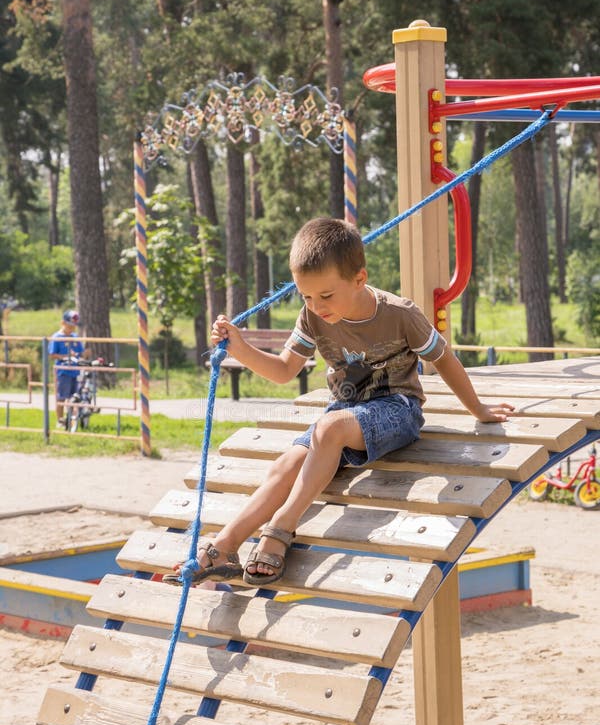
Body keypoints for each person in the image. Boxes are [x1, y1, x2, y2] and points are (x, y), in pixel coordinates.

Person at [164, 217, 514, 588]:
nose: (316, 306)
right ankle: (224, 547)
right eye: (306, 296)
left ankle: (281, 528)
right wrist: (240, 347)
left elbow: (443, 358)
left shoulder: (400, 314)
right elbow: (284, 371)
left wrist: (479, 410)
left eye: (325, 296)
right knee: (288, 463)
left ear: (359, 279)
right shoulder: (313, 316)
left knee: (329, 427)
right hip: (344, 415)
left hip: (397, 409)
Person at [49, 310, 85, 424]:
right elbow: (52, 355)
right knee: (61, 397)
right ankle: (60, 420)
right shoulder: (57, 337)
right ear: (63, 323)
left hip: (75, 371)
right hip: (63, 372)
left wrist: (85, 354)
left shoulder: (75, 337)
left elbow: (81, 352)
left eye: (74, 327)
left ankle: (73, 420)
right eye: (69, 326)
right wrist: (66, 356)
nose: (72, 329)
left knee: (75, 397)